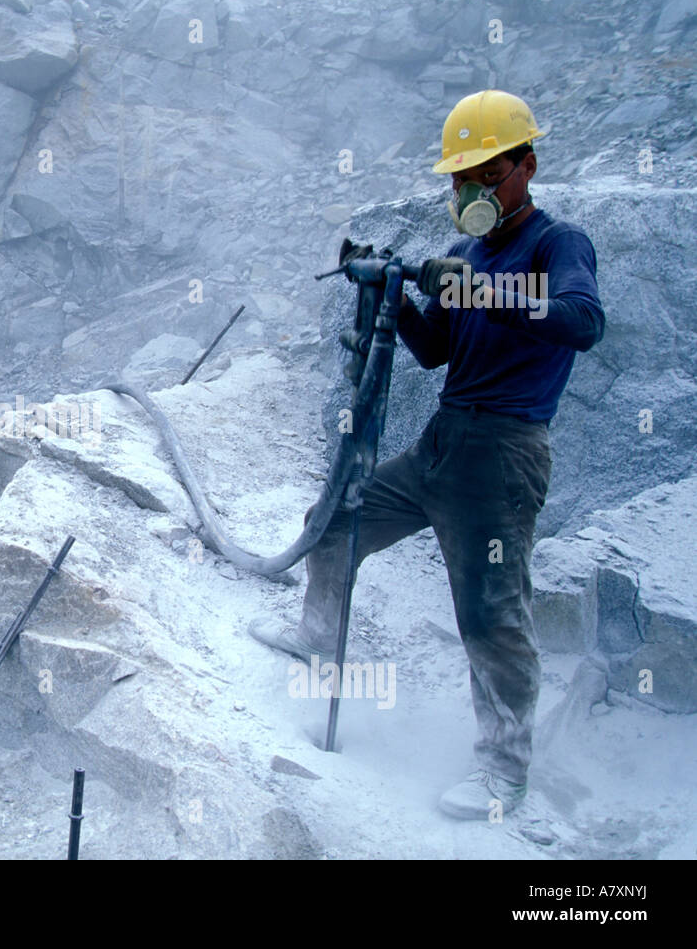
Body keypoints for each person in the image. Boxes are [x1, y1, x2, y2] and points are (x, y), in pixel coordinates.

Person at [249, 90, 605, 820]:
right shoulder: (469, 250)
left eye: (484, 173)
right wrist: (392, 294)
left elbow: (582, 320)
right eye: (457, 177)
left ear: (526, 167)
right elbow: (436, 348)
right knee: (335, 520)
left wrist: (484, 290)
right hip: (445, 438)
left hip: (504, 453)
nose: (466, 190)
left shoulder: (556, 244)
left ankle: (505, 774)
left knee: (490, 610)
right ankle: (320, 638)